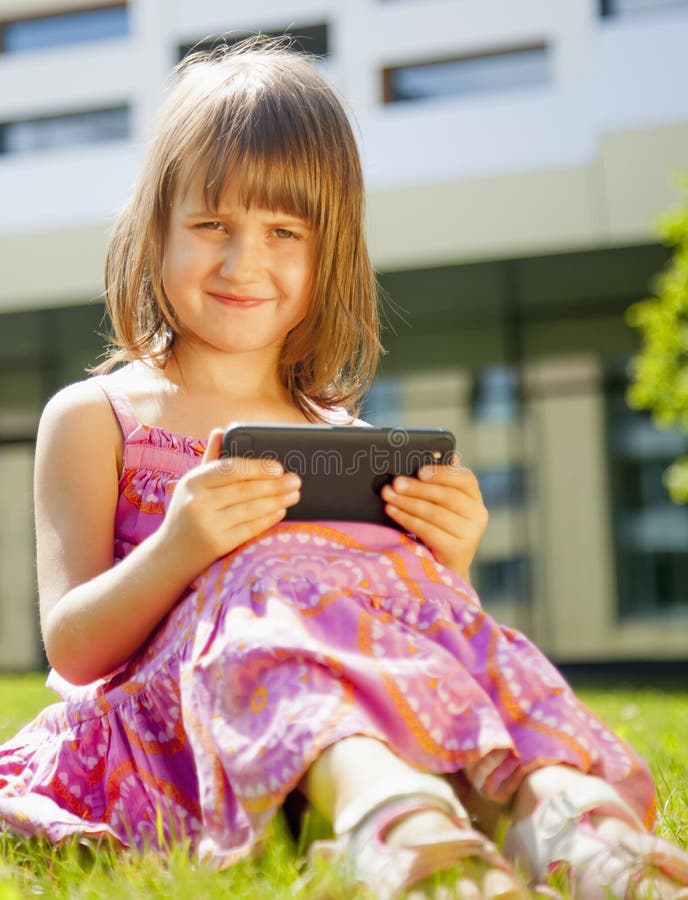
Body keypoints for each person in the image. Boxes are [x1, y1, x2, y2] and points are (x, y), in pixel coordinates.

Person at [0, 37, 686, 900]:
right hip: (181, 726)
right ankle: (393, 817)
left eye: (284, 232)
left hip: (354, 711)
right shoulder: (98, 416)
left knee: (412, 607)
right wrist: (182, 547)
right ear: (155, 230)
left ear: (329, 253)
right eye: (211, 225)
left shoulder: (345, 438)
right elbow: (73, 648)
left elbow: (404, 635)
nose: (243, 263)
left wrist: (447, 558)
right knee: (259, 576)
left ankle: (572, 823)